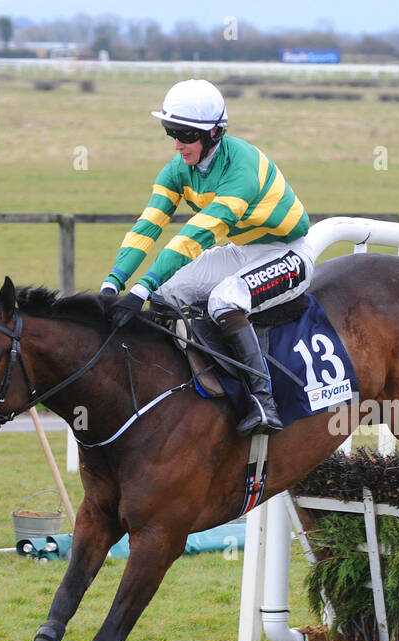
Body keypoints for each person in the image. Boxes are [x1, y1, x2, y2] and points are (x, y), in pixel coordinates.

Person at [101, 78, 313, 435]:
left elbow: (195, 236)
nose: (177, 143)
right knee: (165, 293)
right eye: (170, 131)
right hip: (241, 251)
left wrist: (139, 287)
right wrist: (114, 282)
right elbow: (148, 226)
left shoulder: (242, 167)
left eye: (185, 134)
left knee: (223, 300)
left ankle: (263, 399)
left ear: (214, 133)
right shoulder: (177, 170)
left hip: (288, 253)